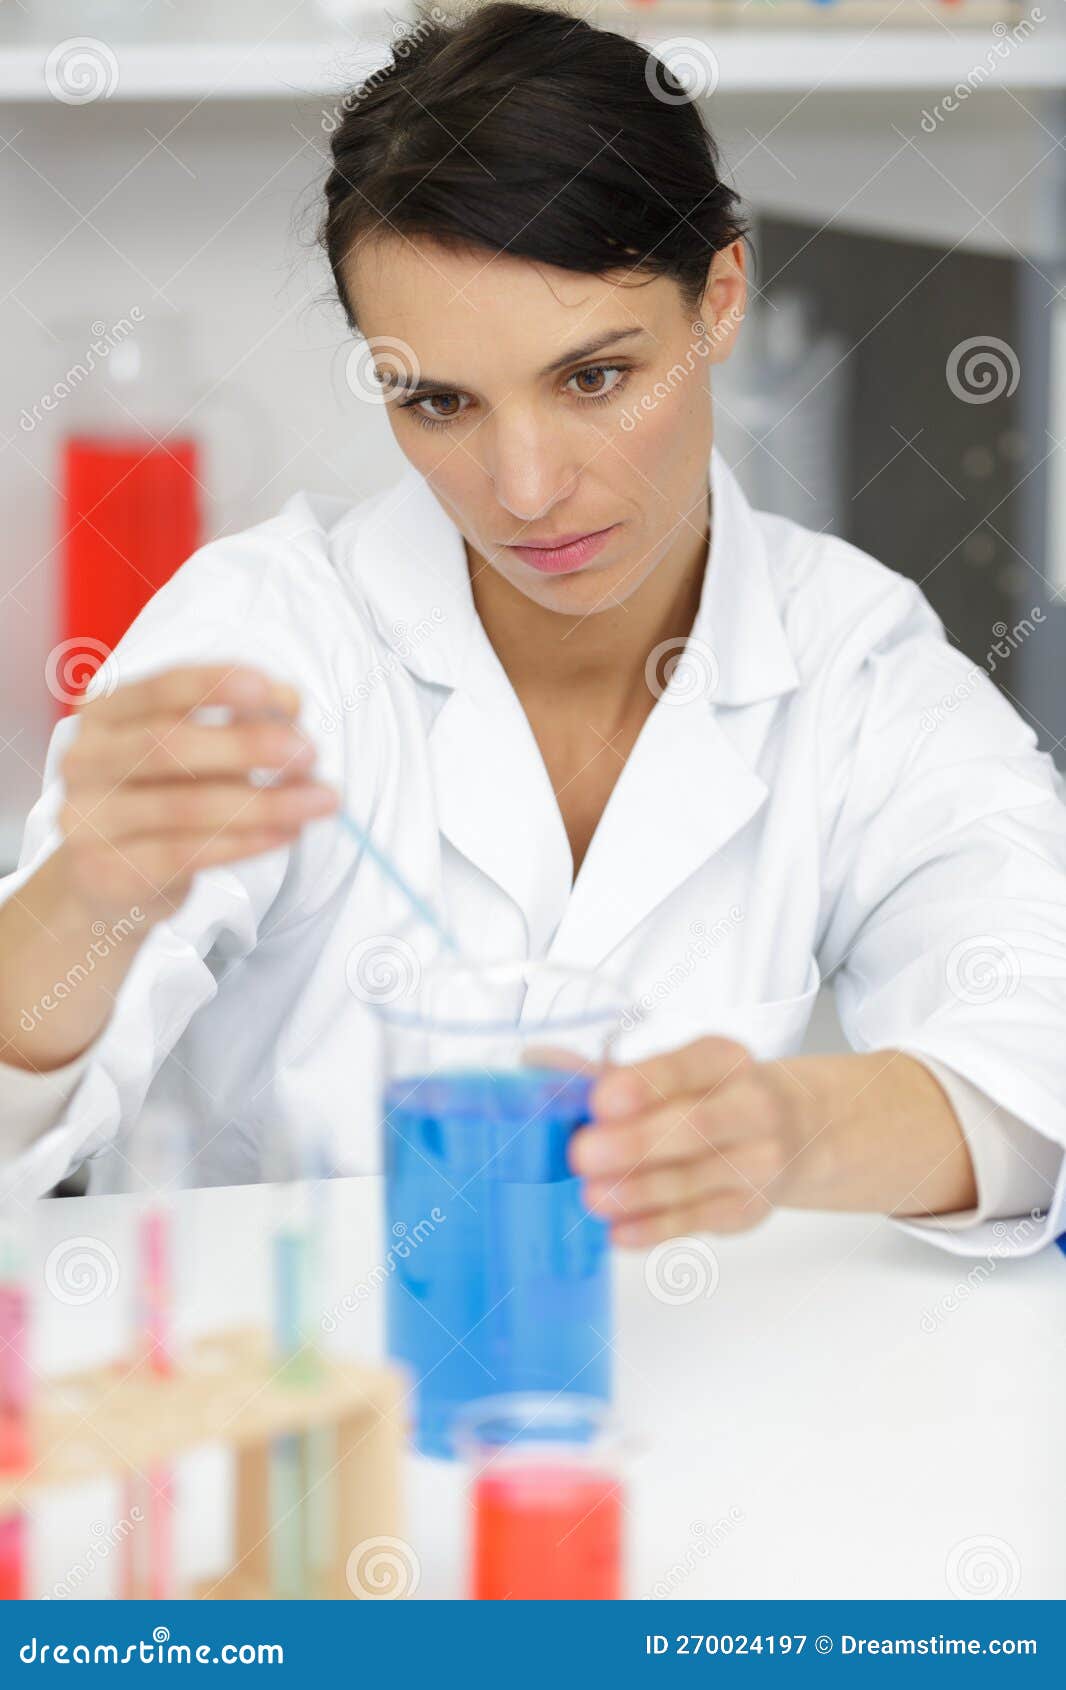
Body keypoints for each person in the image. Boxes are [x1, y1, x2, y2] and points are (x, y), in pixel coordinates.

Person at [1, 2, 1063, 1258]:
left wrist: (790, 1127)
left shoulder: (848, 657)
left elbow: (1034, 1036)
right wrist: (85, 905)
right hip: (286, 1404)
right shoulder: (265, 638)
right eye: (439, 401)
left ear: (720, 296)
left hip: (655, 1420)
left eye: (594, 377)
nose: (524, 488)